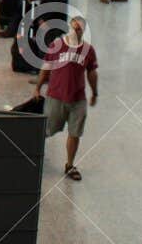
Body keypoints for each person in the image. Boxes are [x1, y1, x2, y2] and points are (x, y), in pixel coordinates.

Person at [29, 14, 98, 181]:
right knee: (47, 130)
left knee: (75, 133)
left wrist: (94, 92)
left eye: (80, 26)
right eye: (74, 25)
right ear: (69, 26)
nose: (76, 28)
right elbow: (46, 69)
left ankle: (69, 164)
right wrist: (38, 87)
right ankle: (32, 155)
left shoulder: (88, 50)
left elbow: (91, 72)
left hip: (78, 99)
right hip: (56, 97)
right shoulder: (57, 45)